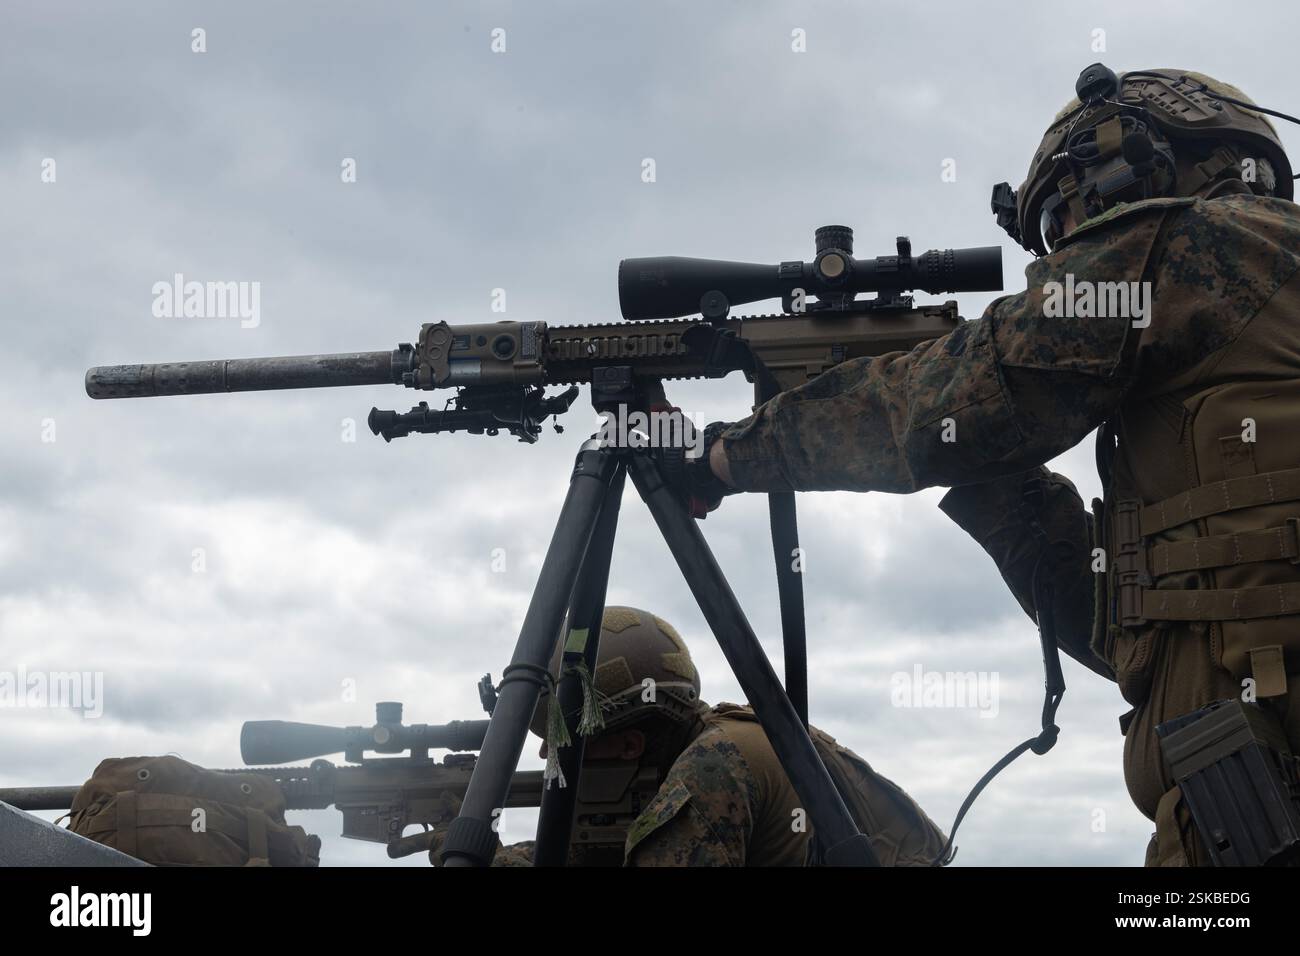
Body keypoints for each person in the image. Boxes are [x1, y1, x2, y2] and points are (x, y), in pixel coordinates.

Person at [673, 66, 1300, 866]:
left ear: (1136, 165)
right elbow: (1133, 633)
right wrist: (990, 473)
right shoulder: (1251, 318)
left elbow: (971, 393)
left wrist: (728, 453)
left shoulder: (1211, 243)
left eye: (1069, 213)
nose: (1069, 249)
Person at [482, 606, 946, 866]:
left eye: (565, 739)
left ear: (630, 744)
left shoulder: (712, 767)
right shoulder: (727, 736)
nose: (546, 753)